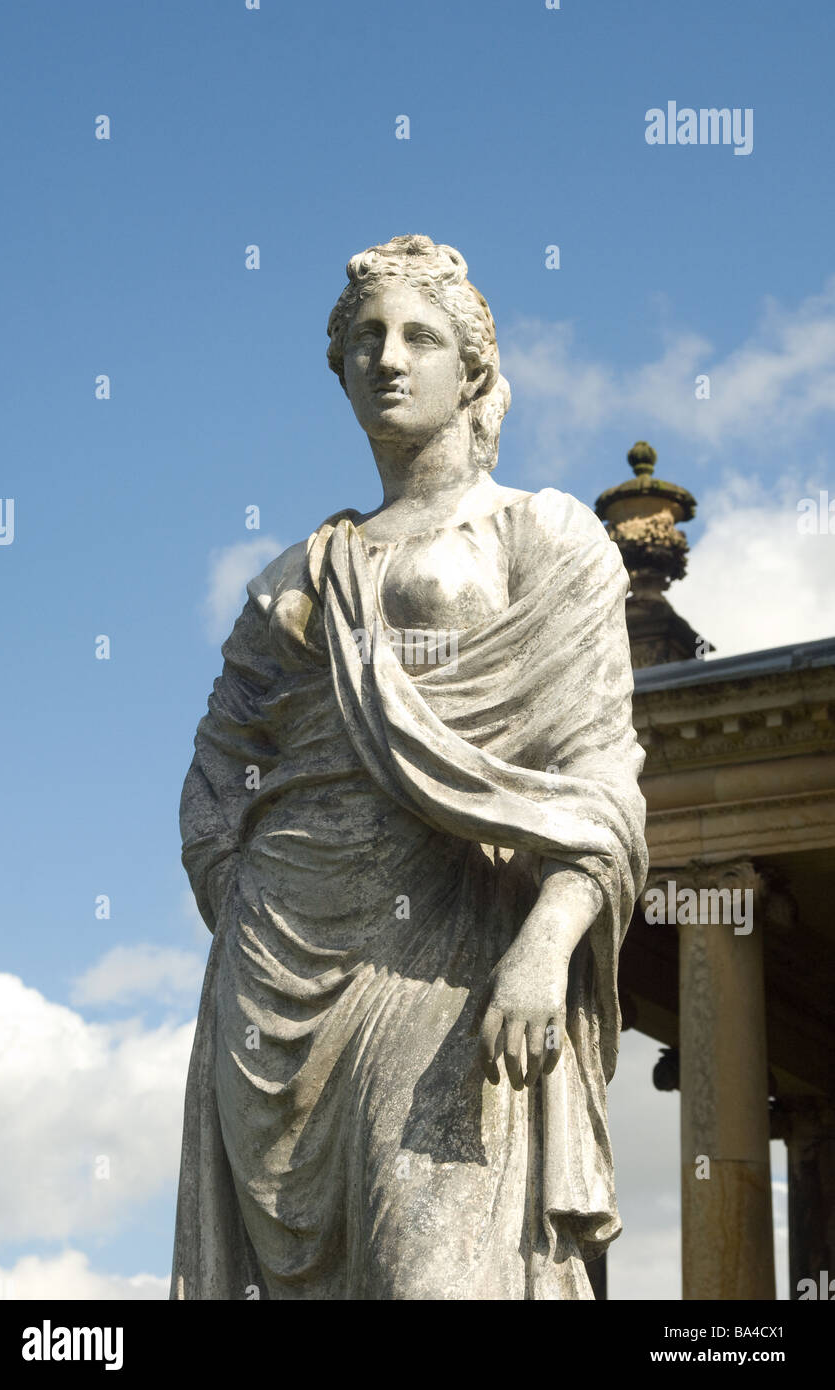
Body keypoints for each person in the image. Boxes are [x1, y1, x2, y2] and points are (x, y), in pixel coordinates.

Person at [171, 234, 648, 1300]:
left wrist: (544, 943)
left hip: (448, 950)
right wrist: (241, 890)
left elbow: (597, 779)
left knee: (434, 1279)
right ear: (337, 367)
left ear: (471, 368)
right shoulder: (295, 573)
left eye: (418, 337)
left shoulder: (545, 534)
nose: (388, 358)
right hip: (278, 967)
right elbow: (216, 768)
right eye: (364, 340)